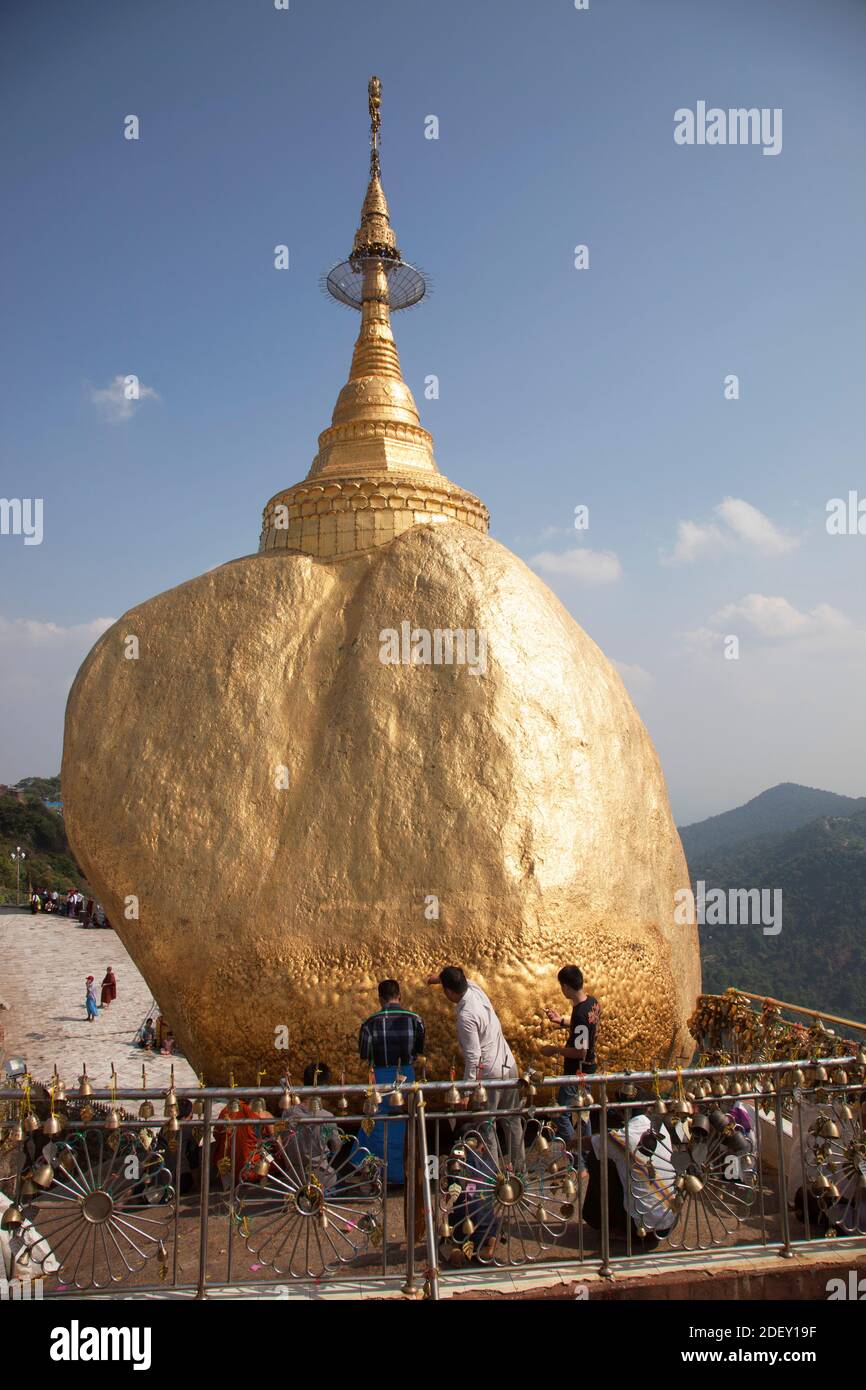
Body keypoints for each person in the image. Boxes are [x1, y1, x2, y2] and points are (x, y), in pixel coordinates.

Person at [426, 966, 525, 1172]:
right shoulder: (475, 989)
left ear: (450, 992)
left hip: (489, 1074)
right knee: (513, 1122)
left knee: (487, 1127)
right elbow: (464, 978)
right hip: (508, 1064)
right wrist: (439, 979)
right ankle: (520, 1171)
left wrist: (466, 1091)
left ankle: (493, 1176)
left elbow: (473, 1057)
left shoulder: (466, 1016)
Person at [357, 979, 425, 1183]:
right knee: (406, 1121)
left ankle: (381, 1174)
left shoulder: (370, 1022)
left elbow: (363, 1053)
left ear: (380, 998)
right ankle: (403, 1173)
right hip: (406, 1073)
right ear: (400, 996)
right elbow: (420, 1049)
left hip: (381, 1075)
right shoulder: (416, 1019)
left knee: (379, 1124)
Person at [541, 965, 601, 1162]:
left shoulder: (581, 1014)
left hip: (578, 1070)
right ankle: (588, 1153)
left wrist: (555, 1049)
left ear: (566, 987)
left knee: (561, 1112)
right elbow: (582, 1028)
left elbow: (580, 1051)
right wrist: (561, 1020)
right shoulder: (592, 1002)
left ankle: (577, 1156)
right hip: (590, 1066)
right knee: (583, 1112)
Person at [280, 1062, 346, 1192]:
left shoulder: (287, 1113)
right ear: (325, 1086)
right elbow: (336, 1147)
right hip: (320, 1177)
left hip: (294, 1178)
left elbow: (283, 1141)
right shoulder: (327, 1116)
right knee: (342, 1179)